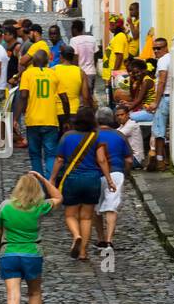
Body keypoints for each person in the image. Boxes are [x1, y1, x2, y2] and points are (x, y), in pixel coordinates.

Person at [0, 170, 62, 304]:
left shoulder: (5, 207)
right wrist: (41, 178)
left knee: (13, 296)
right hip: (32, 253)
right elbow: (58, 196)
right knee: (34, 293)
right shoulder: (39, 207)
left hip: (10, 254)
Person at [50, 106, 116, 260]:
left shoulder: (67, 137)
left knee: (70, 215)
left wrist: (52, 178)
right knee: (86, 217)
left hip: (72, 179)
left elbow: (59, 159)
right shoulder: (96, 137)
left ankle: (76, 235)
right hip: (92, 179)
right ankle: (83, 252)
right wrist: (109, 180)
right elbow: (101, 160)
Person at [15, 50, 61, 180]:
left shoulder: (27, 74)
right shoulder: (53, 74)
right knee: (51, 155)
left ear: (33, 62)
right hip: (51, 120)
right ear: (47, 62)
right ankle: (50, 183)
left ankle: (40, 184)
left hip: (33, 120)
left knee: (35, 155)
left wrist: (16, 117)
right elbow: (63, 96)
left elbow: (23, 96)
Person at [93, 106, 133, 250]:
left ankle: (100, 238)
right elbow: (129, 160)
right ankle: (109, 240)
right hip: (116, 173)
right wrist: (126, 173)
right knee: (111, 207)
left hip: (96, 174)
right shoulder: (119, 135)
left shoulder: (92, 135)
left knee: (95, 208)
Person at [53, 44, 92, 129]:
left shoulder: (53, 70)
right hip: (75, 111)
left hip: (57, 111)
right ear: (73, 57)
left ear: (61, 56)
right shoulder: (80, 72)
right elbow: (85, 97)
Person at [147, 37, 172, 171]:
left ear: (166, 47)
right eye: (154, 48)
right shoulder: (171, 58)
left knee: (159, 132)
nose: (156, 51)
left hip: (164, 98)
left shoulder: (163, 61)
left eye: (159, 48)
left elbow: (162, 81)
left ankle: (160, 161)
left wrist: (156, 102)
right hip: (169, 97)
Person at [100, 14, 128, 104]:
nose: (109, 27)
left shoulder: (120, 37)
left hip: (118, 76)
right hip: (115, 75)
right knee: (112, 102)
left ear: (118, 25)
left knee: (118, 103)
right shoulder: (117, 37)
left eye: (112, 24)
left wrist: (113, 74)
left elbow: (119, 56)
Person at [70, 20, 96, 98]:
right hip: (92, 72)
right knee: (90, 96)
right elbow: (95, 56)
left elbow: (75, 58)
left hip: (80, 73)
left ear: (74, 29)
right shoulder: (92, 39)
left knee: (82, 97)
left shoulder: (74, 40)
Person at [116, 102, 144, 166]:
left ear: (128, 115)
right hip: (128, 156)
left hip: (135, 158)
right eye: (117, 115)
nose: (119, 117)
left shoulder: (132, 124)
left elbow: (117, 136)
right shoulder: (122, 126)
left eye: (122, 114)